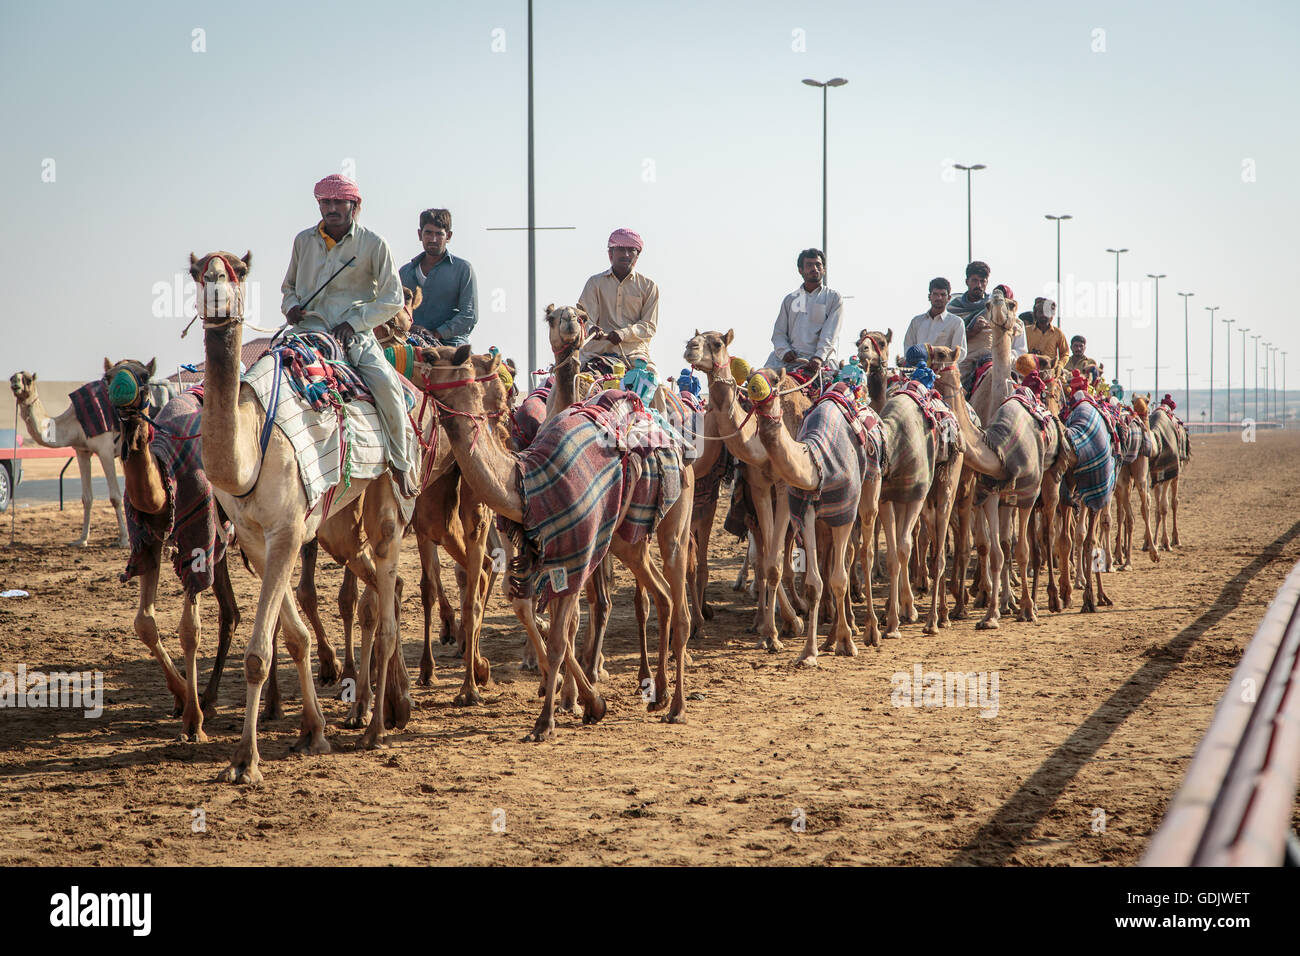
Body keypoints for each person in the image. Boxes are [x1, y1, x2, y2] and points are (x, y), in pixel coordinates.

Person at [281, 174, 418, 497]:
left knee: (387, 386)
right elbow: (288, 287)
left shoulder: (374, 244)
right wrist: (291, 306)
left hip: (353, 337)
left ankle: (400, 463)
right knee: (263, 378)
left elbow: (392, 299)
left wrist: (356, 322)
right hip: (306, 332)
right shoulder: (303, 241)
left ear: (354, 206)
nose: (330, 209)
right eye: (324, 202)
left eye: (337, 202)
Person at [577, 227, 659, 372]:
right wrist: (591, 330)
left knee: (656, 385)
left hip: (634, 356)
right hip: (595, 354)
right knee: (567, 383)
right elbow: (584, 319)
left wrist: (624, 334)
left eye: (631, 250)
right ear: (611, 253)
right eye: (620, 249)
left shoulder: (648, 286)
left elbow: (649, 326)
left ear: (637, 255)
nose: (626, 254)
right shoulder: (594, 283)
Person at [397, 208, 478, 347]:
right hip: (410, 342)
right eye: (428, 233)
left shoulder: (463, 269)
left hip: (450, 344)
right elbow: (394, 310)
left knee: (457, 366)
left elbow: (469, 315)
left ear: (449, 236)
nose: (433, 239)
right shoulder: (404, 272)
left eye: (439, 234)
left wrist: (436, 333)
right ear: (419, 234)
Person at [764, 247, 845, 374]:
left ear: (824, 269)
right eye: (809, 265)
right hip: (788, 362)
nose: (814, 269)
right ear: (800, 270)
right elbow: (778, 334)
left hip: (822, 363)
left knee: (835, 391)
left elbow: (830, 334)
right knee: (759, 385)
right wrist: (785, 351)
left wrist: (818, 357)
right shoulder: (790, 300)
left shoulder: (834, 298)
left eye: (818, 265)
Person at [903, 277, 967, 355]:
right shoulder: (917, 321)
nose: (939, 298)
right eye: (935, 294)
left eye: (943, 295)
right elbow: (908, 348)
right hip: (919, 366)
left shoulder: (956, 322)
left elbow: (960, 352)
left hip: (945, 366)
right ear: (929, 297)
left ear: (949, 298)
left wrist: (939, 362)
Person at [1025, 297, 1069, 368]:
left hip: (1050, 372)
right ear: (1036, 314)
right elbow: (1019, 350)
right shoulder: (1026, 331)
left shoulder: (1058, 333)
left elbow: (1065, 354)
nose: (1043, 315)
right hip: (1029, 370)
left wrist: (1059, 365)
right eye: (1040, 312)